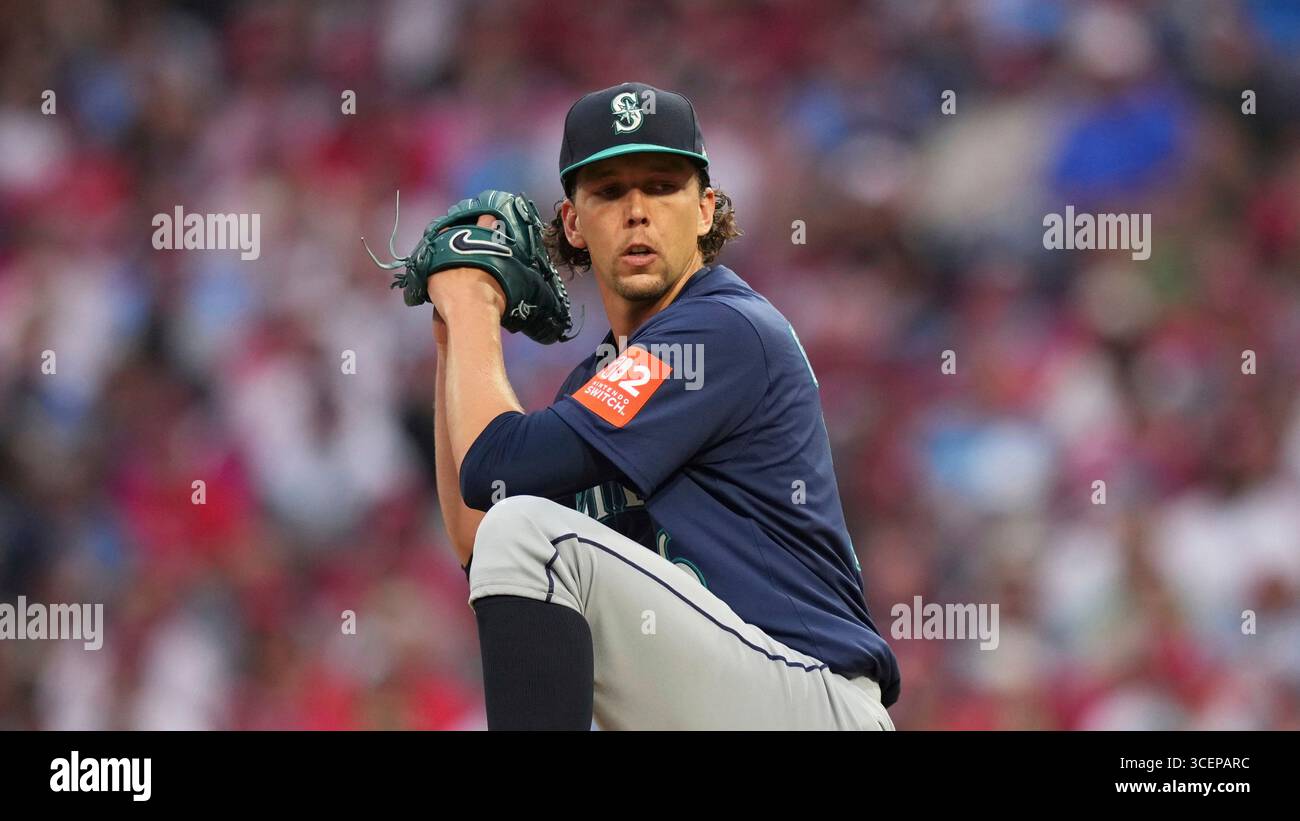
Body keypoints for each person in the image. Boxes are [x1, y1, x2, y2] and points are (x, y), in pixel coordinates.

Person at [426, 82, 900, 730]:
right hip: (723, 699)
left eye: (662, 185)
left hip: (806, 699)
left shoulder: (722, 330)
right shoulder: (600, 381)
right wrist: (454, 329)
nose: (637, 210)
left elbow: (497, 471)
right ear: (573, 222)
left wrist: (479, 304)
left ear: (706, 209)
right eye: (610, 191)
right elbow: (480, 534)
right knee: (521, 537)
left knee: (531, 534)